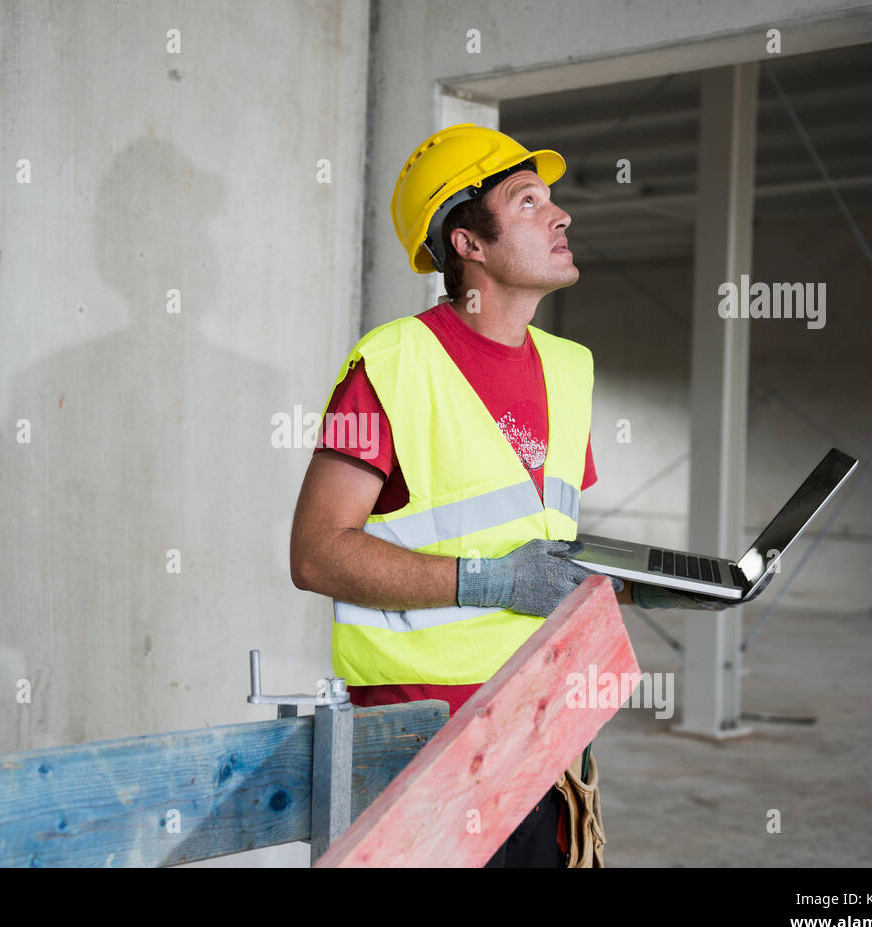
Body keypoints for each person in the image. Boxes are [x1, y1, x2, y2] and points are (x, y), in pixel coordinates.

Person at [289, 124, 725, 868]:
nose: (560, 217)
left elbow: (548, 548)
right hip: (424, 740)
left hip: (548, 725)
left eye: (552, 202)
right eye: (528, 203)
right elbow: (316, 552)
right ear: (469, 243)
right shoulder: (394, 363)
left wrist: (657, 583)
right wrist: (490, 581)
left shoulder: (569, 368)